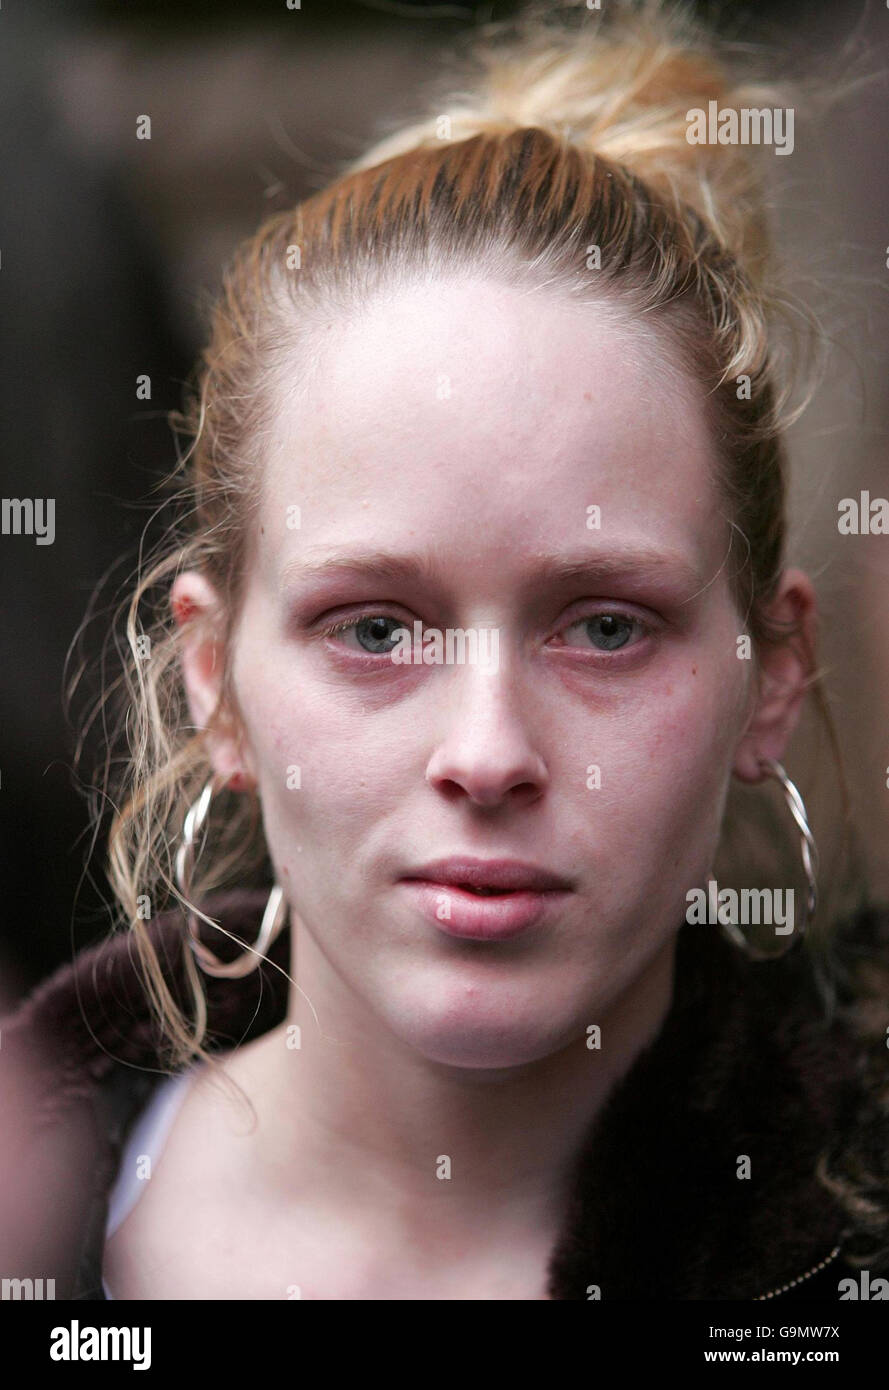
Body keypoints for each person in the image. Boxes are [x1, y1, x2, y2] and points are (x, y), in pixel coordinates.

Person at [2, 0, 888, 1302]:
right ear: (215, 681)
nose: (487, 753)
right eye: (372, 628)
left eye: (602, 626)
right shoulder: (37, 1198)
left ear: (769, 674)